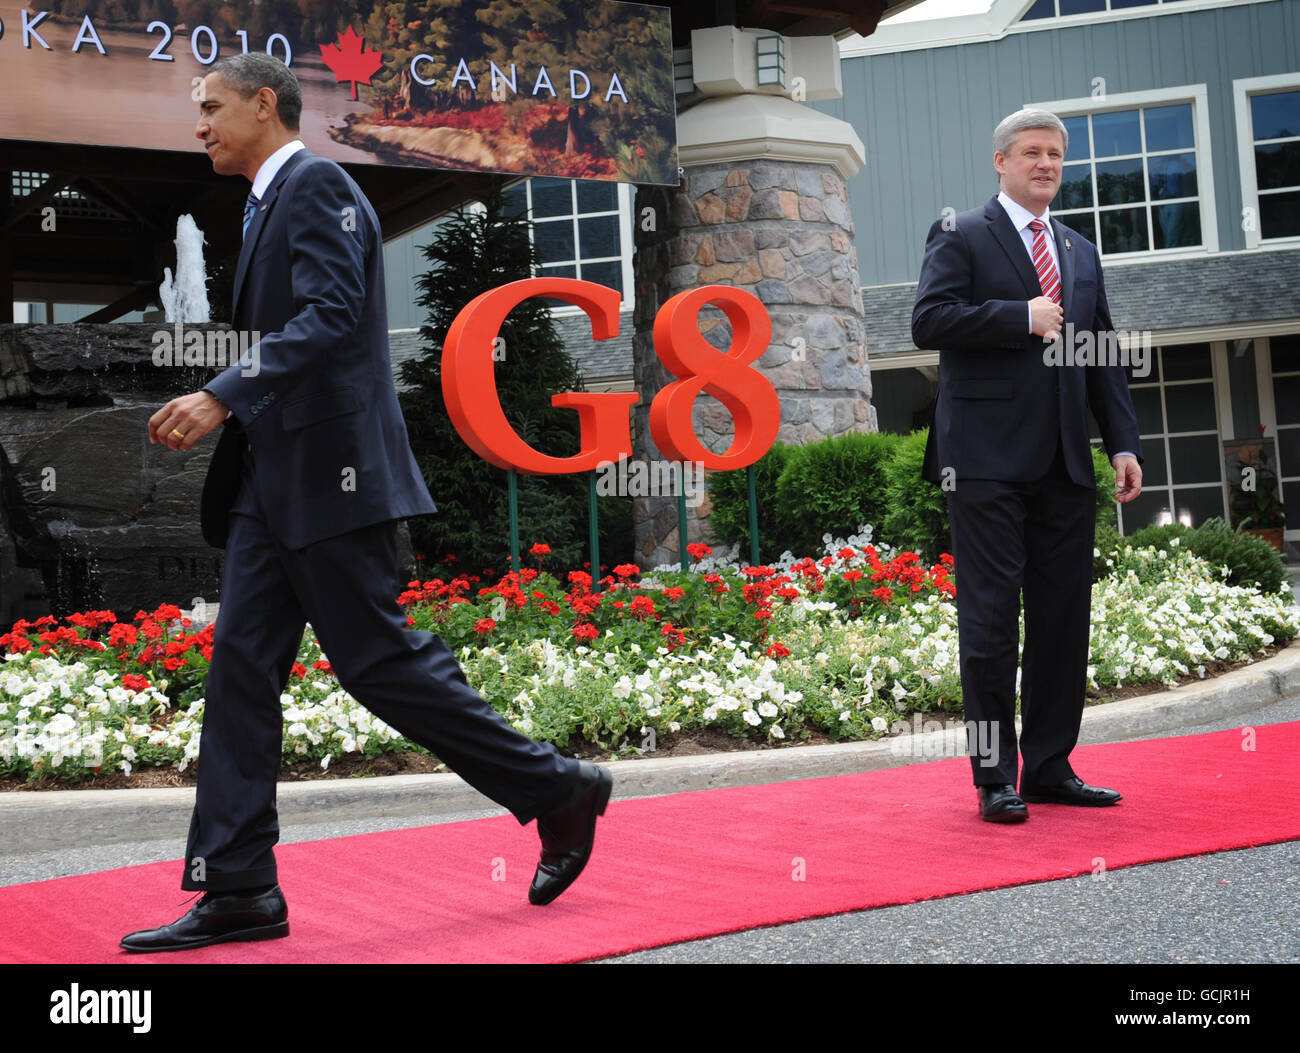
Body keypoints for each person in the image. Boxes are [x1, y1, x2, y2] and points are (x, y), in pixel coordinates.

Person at [121, 54, 611, 952]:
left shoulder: (318, 187)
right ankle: (238, 887)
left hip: (335, 479)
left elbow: (332, 316)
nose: (198, 125)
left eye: (210, 107)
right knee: (238, 674)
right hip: (273, 487)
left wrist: (222, 392)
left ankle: (558, 788)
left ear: (264, 105)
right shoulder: (266, 202)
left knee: (378, 663)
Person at [914, 108, 1143, 823]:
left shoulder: (1078, 249)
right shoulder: (962, 233)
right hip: (982, 462)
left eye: (1055, 155)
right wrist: (1019, 315)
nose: (1045, 164)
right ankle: (994, 778)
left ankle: (1048, 765)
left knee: (1061, 618)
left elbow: (1102, 352)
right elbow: (930, 320)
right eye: (1032, 153)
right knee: (988, 624)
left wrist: (1124, 442)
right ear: (1001, 161)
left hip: (1066, 463)